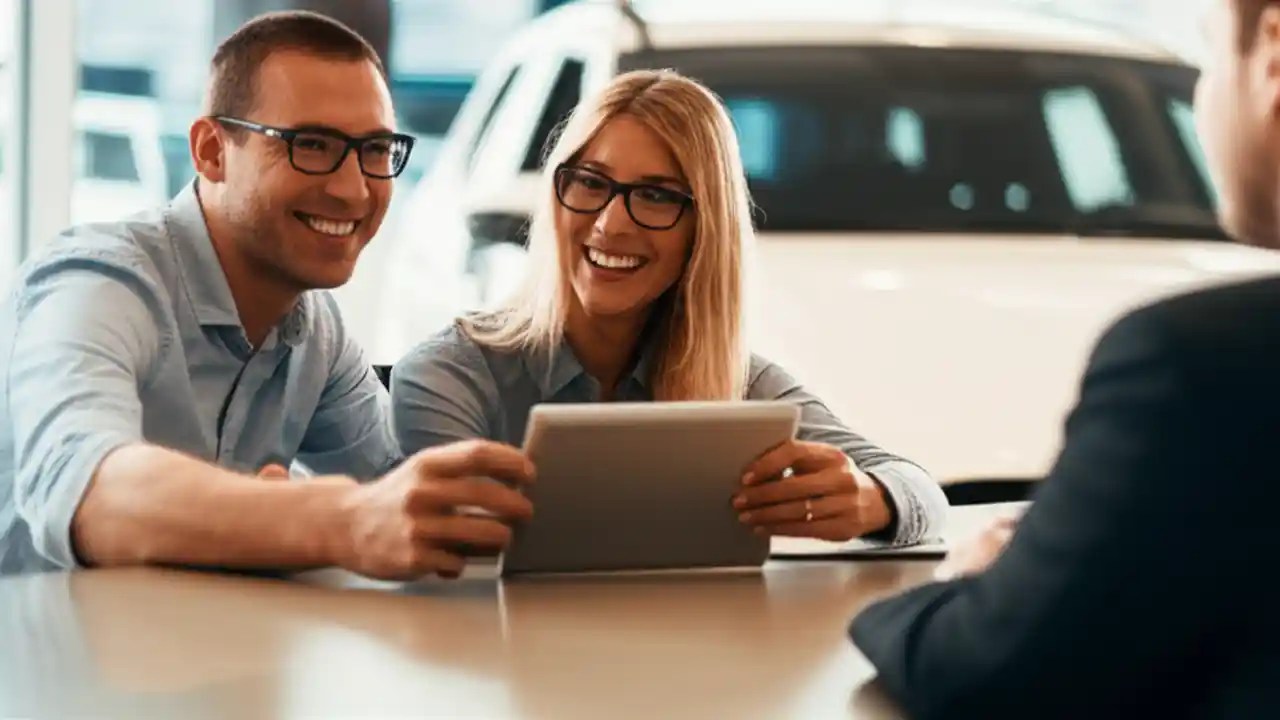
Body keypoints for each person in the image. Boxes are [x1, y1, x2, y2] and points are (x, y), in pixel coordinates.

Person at [848, 1, 1280, 717]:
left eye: (1210, 56)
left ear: (1273, 53)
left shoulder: (1197, 364)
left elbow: (983, 674)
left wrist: (972, 585)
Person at [0, 11, 533, 579]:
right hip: (34, 653)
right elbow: (90, 492)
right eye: (311, 144)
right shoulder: (99, 283)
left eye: (375, 150)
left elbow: (394, 490)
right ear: (211, 152)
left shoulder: (314, 329)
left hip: (184, 653)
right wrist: (334, 520)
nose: (354, 189)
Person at [391, 70, 947, 547]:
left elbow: (921, 491)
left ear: (704, 232)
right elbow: (453, 559)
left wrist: (873, 501)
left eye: (656, 196)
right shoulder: (452, 375)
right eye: (590, 182)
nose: (610, 223)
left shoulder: (739, 381)